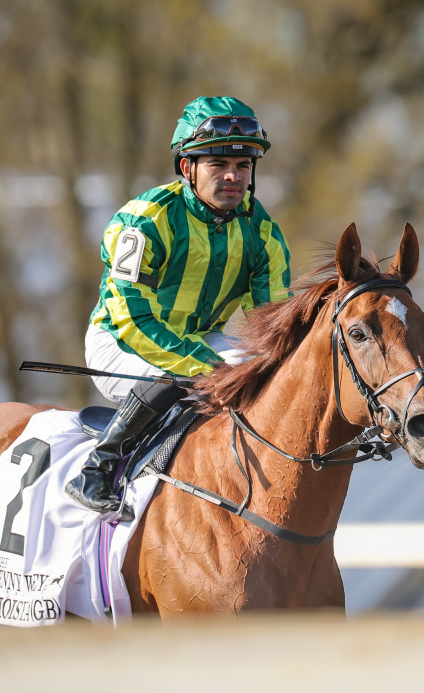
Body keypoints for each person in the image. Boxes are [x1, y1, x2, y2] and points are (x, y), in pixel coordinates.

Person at [65, 95, 291, 517]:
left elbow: (274, 325)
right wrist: (205, 364)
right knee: (179, 374)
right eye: (217, 165)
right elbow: (133, 321)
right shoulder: (143, 223)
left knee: (267, 373)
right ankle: (98, 467)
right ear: (187, 168)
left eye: (243, 167)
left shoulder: (262, 232)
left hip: (198, 337)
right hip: (122, 341)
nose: (233, 177)